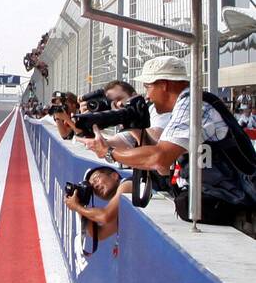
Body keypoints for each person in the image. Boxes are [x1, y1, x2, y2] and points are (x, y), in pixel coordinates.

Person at [99, 56, 256, 226]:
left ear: (164, 84)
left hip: (240, 205)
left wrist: (110, 153)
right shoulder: (187, 104)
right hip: (228, 200)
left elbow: (159, 158)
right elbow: (163, 169)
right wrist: (137, 129)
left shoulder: (193, 105)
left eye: (148, 87)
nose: (147, 96)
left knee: (186, 204)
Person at [64, 165, 132, 242]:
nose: (95, 186)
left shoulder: (127, 185)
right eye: (92, 188)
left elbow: (105, 216)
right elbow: (99, 234)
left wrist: (77, 207)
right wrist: (80, 204)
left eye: (96, 179)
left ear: (114, 176)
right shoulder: (120, 206)